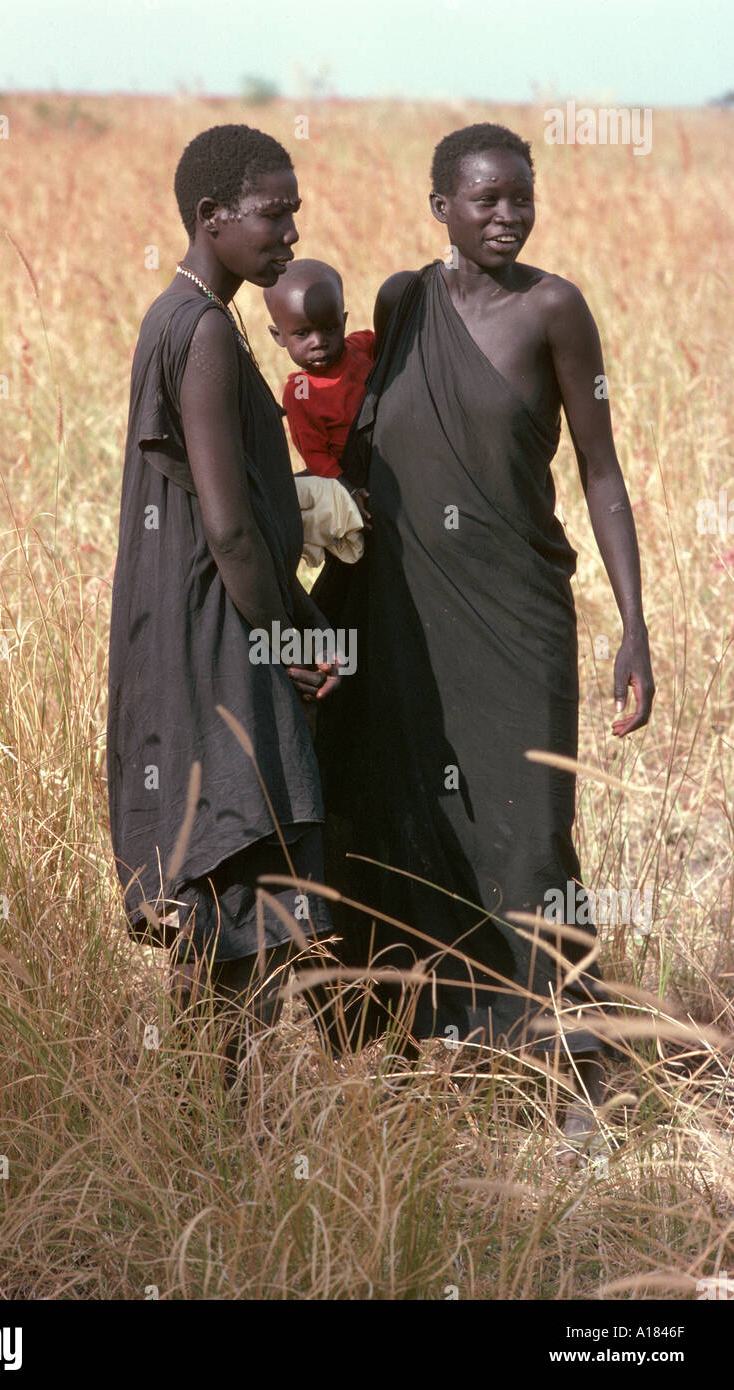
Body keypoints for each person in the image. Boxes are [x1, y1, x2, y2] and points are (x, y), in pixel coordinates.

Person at [312, 123, 655, 1145]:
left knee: (530, 831)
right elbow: (359, 468)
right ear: (440, 209)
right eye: (483, 199)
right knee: (420, 819)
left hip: (517, 618)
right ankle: (454, 1046)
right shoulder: (399, 301)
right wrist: (325, 625)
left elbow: (598, 470)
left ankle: (577, 1072)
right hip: (406, 621)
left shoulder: (553, 309)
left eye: (519, 196)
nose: (505, 214)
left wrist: (633, 623)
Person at [106, 125, 341, 1071]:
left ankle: (208, 1134)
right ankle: (217, 1132)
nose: (290, 231)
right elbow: (231, 528)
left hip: (210, 624)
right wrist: (289, 639)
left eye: (293, 211)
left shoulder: (196, 315)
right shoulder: (200, 330)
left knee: (227, 899)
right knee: (240, 888)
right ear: (212, 217)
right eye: (272, 212)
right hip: (219, 640)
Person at [265, 258, 374, 488]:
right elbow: (316, 455)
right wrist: (348, 491)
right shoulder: (301, 393)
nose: (319, 342)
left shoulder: (361, 346)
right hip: (350, 477)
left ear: (343, 322)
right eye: (303, 333)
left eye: (330, 329)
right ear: (279, 336)